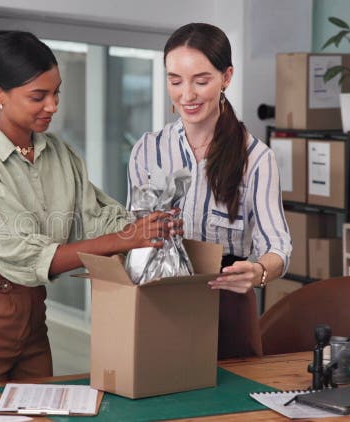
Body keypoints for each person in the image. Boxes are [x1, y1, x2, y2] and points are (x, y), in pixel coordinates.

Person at [0, 31, 181, 386]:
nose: (52, 106)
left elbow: (97, 217)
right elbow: (25, 256)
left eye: (56, 93)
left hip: (34, 315)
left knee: (40, 410)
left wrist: (150, 226)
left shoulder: (59, 153)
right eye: (38, 96)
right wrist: (125, 239)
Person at [128, 23, 292, 358]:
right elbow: (132, 231)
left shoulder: (256, 158)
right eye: (175, 81)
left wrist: (258, 272)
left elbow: (278, 246)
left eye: (201, 81)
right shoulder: (147, 150)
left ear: (226, 77)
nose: (186, 95)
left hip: (226, 308)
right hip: (159, 302)